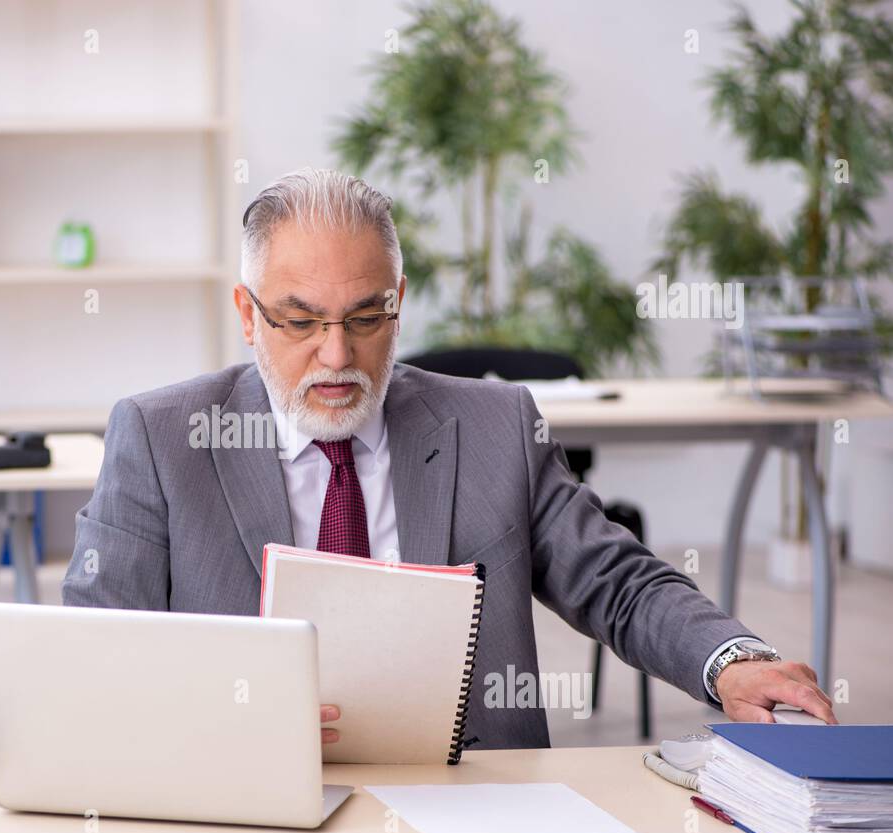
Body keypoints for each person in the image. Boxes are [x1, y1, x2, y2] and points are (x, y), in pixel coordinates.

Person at [63, 167, 836, 748]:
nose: (338, 355)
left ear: (398, 301)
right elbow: (92, 663)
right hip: (246, 809)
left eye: (367, 317)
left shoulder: (495, 425)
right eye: (301, 322)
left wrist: (731, 660)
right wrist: (229, 706)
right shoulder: (162, 440)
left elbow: (619, 582)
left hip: (474, 813)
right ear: (247, 313)